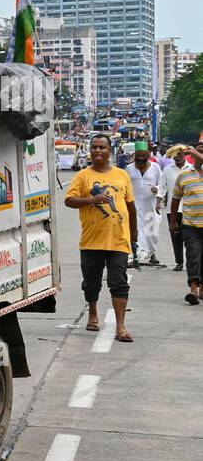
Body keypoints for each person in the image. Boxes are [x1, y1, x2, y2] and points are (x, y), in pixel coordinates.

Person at [65, 134, 136, 342]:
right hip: (91, 241)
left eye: (102, 147)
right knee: (91, 284)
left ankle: (121, 327)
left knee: (119, 283)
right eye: (94, 147)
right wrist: (92, 199)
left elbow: (130, 206)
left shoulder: (122, 175)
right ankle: (93, 313)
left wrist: (134, 232)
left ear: (110, 150)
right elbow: (69, 200)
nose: (98, 151)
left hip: (119, 240)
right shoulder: (83, 176)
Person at [168, 140, 203, 306]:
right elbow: (175, 199)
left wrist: (195, 152)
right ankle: (193, 290)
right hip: (190, 225)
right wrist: (173, 221)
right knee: (193, 256)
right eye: (199, 147)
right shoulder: (184, 174)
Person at [127, 141, 163, 267]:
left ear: (148, 155)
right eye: (138, 157)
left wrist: (157, 189)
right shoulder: (129, 168)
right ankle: (134, 256)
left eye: (143, 156)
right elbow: (125, 186)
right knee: (136, 230)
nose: (141, 159)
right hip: (134, 204)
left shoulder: (156, 167)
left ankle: (152, 254)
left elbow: (162, 185)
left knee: (151, 231)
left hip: (151, 204)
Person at [161, 144, 190, 271]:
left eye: (180, 155)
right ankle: (179, 262)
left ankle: (192, 262)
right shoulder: (167, 170)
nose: (177, 158)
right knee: (176, 237)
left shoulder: (192, 169)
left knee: (190, 238)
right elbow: (162, 187)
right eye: (175, 155)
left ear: (185, 155)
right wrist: (158, 199)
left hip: (190, 208)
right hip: (172, 209)